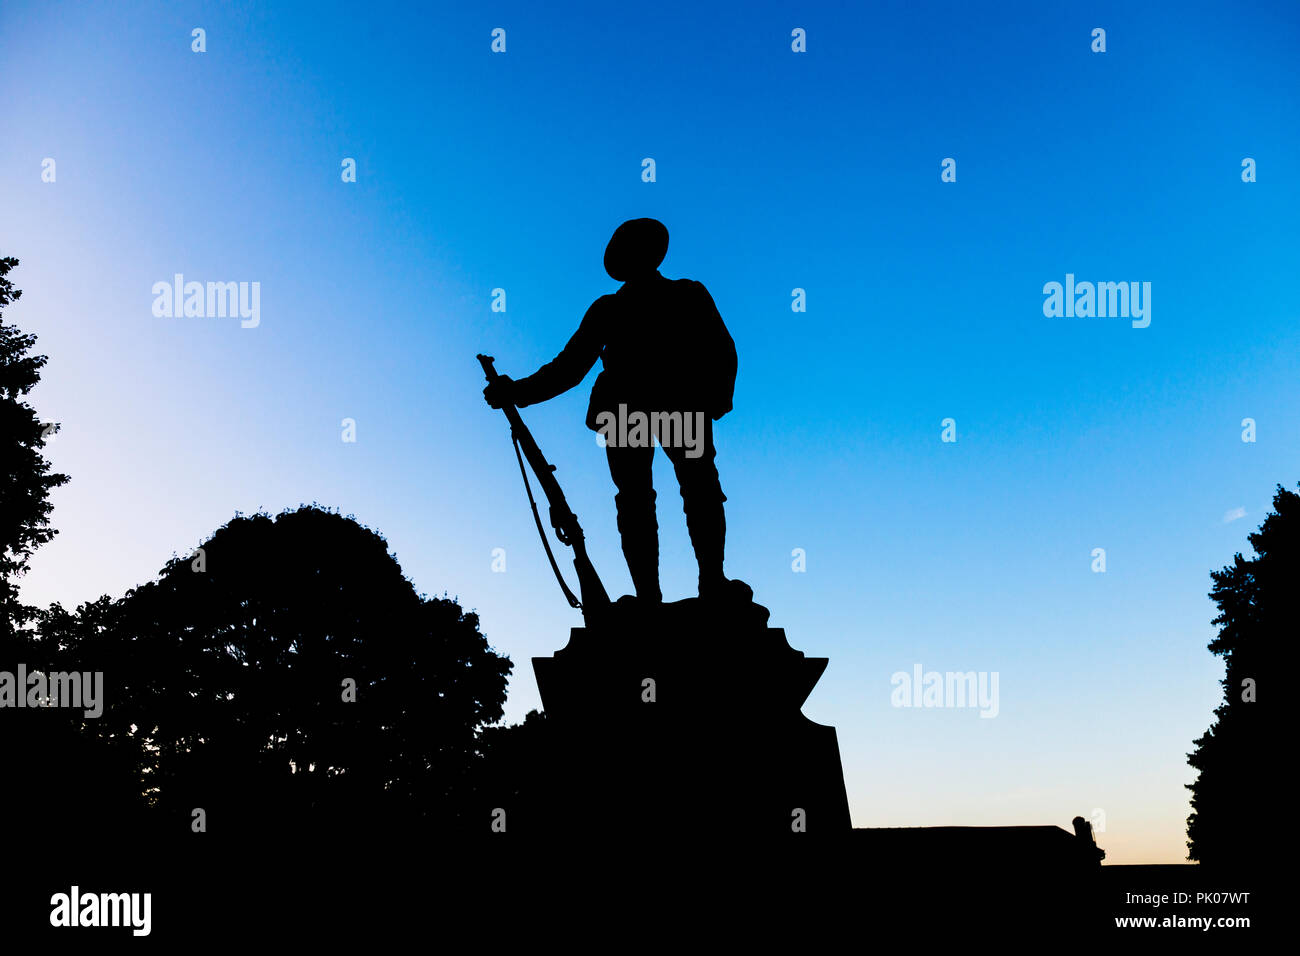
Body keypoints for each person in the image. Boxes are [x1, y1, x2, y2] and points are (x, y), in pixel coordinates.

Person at [483, 218, 737, 602]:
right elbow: (569, 367)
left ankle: (710, 583)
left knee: (693, 489)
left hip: (673, 404)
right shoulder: (610, 308)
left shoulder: (686, 294)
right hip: (631, 409)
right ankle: (650, 595)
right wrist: (517, 392)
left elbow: (721, 350)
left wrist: (715, 399)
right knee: (640, 498)